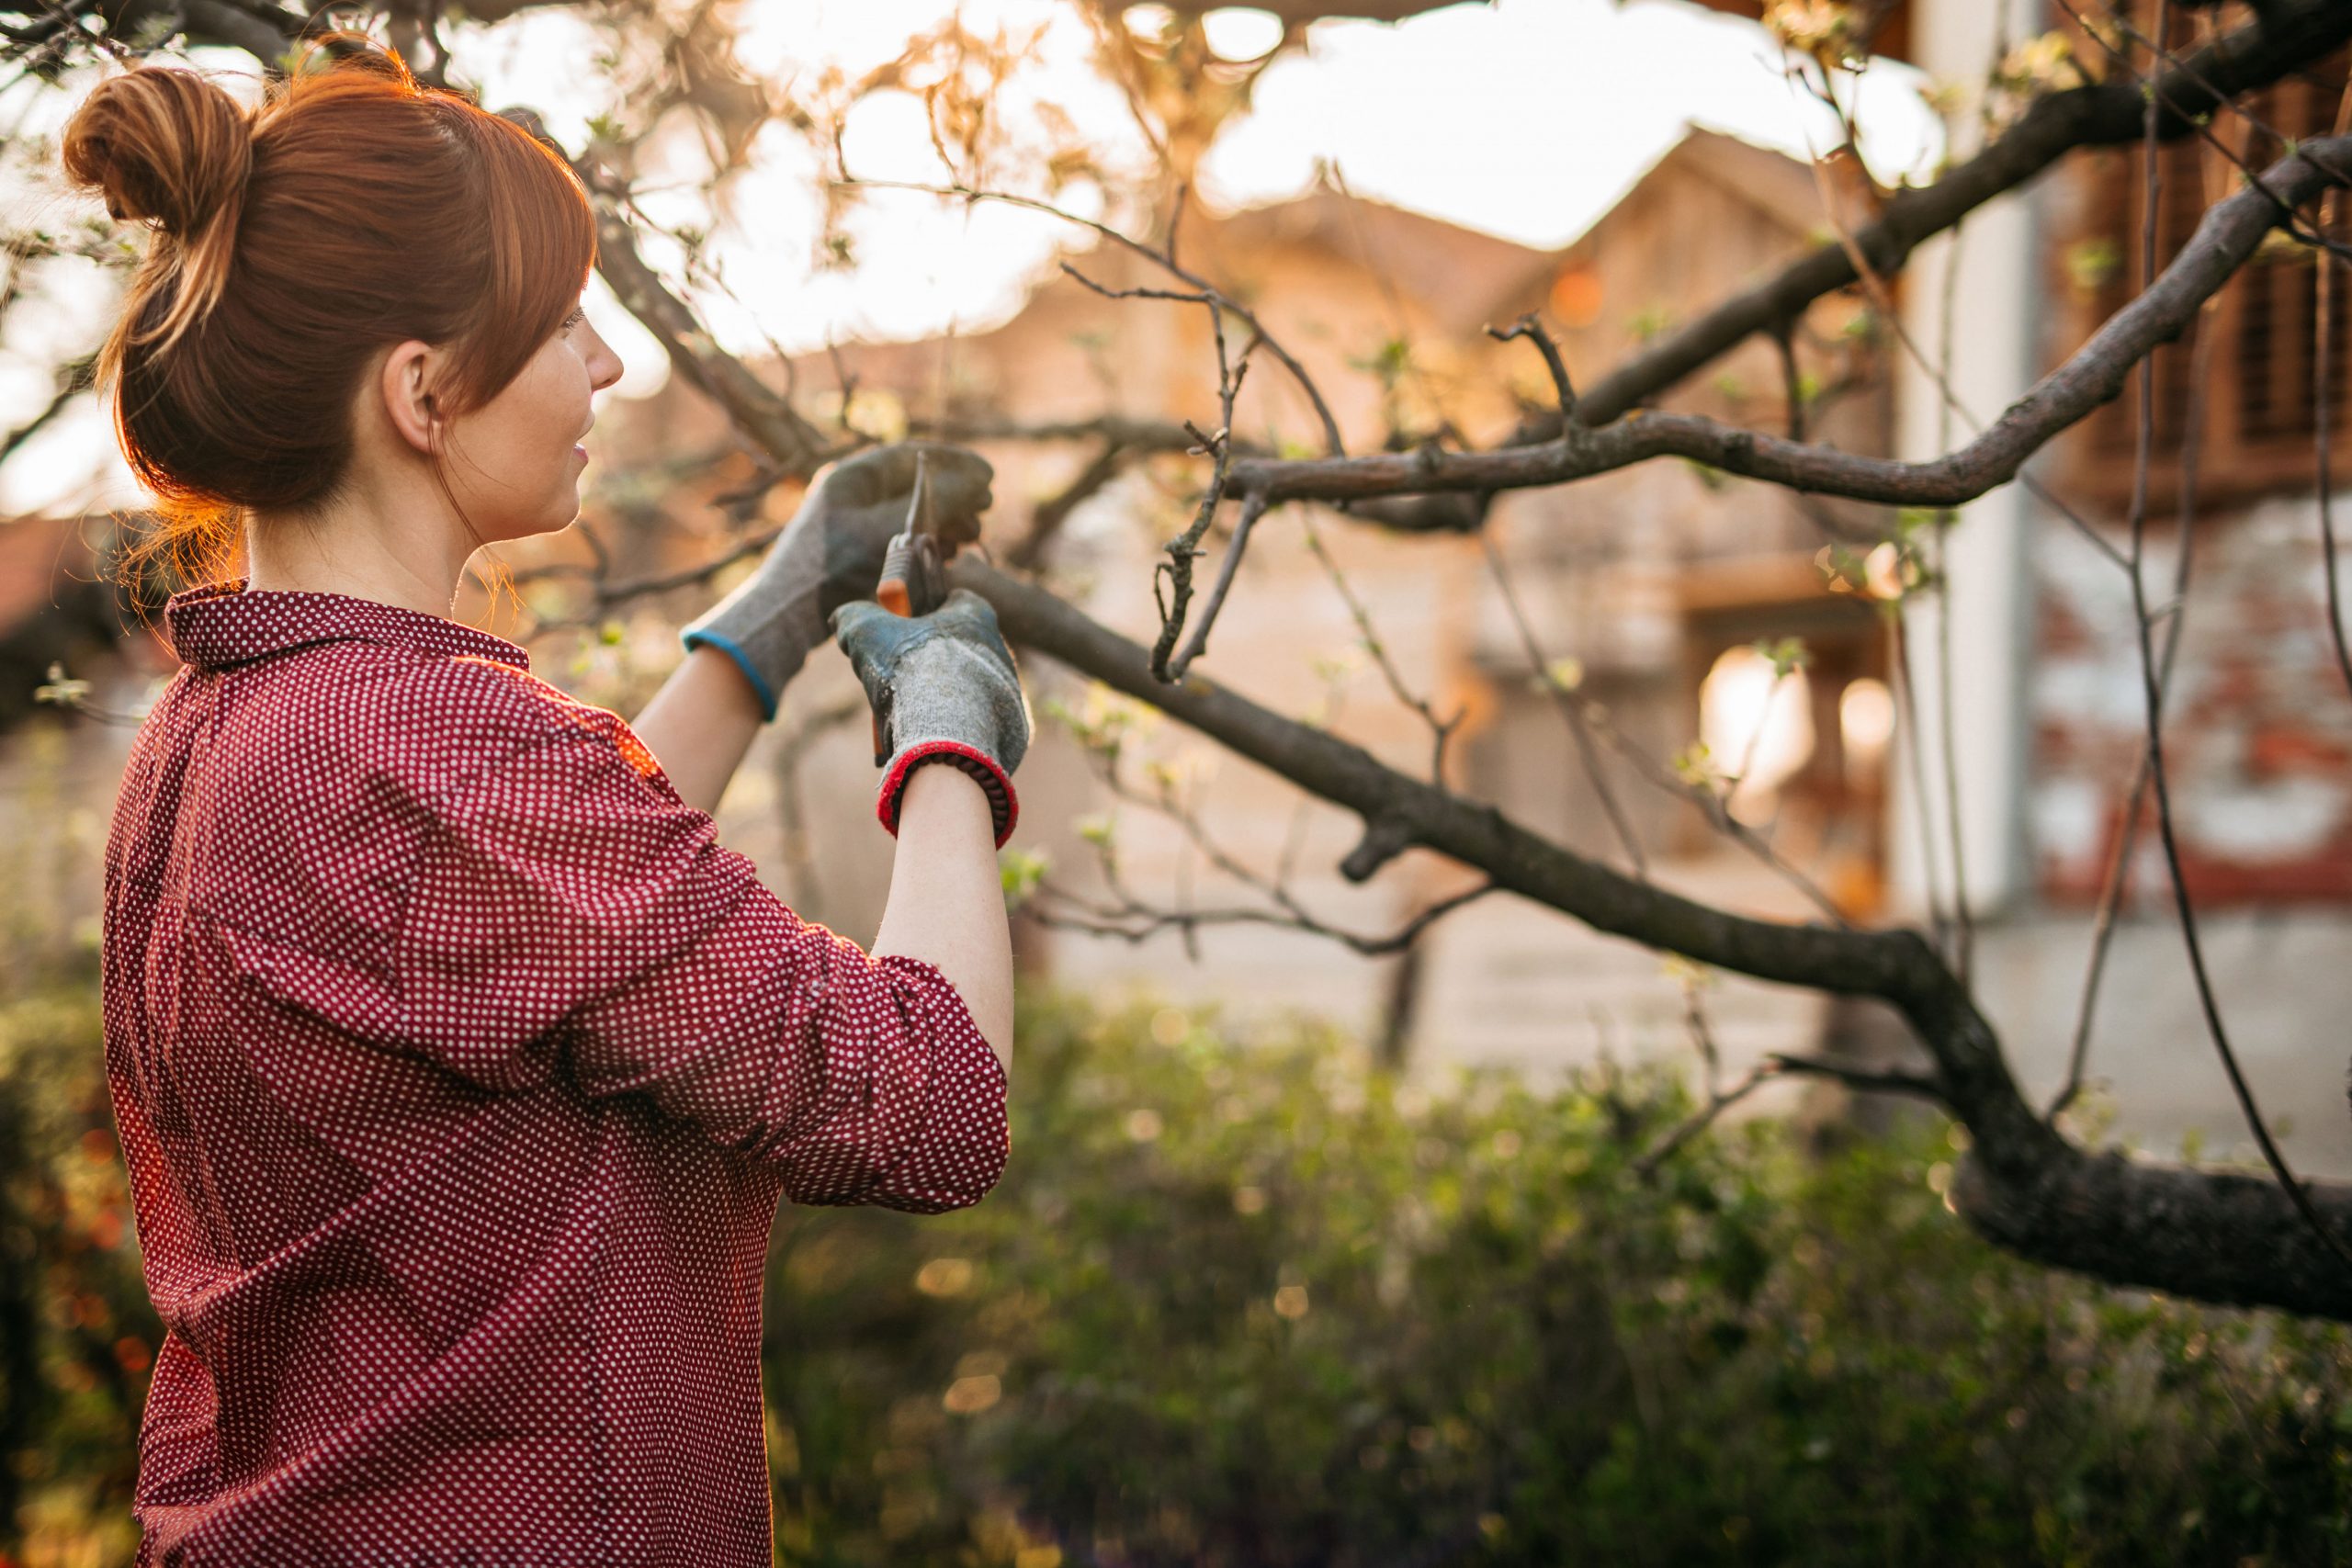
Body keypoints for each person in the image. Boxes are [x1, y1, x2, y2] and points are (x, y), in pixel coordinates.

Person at [67, 37, 1027, 1566]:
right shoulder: (439, 751)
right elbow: (926, 1105)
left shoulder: (222, 732)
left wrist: (771, 623)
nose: (608, 363)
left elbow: (539, 935)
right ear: (424, 392)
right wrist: (953, 742)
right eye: (561, 322)